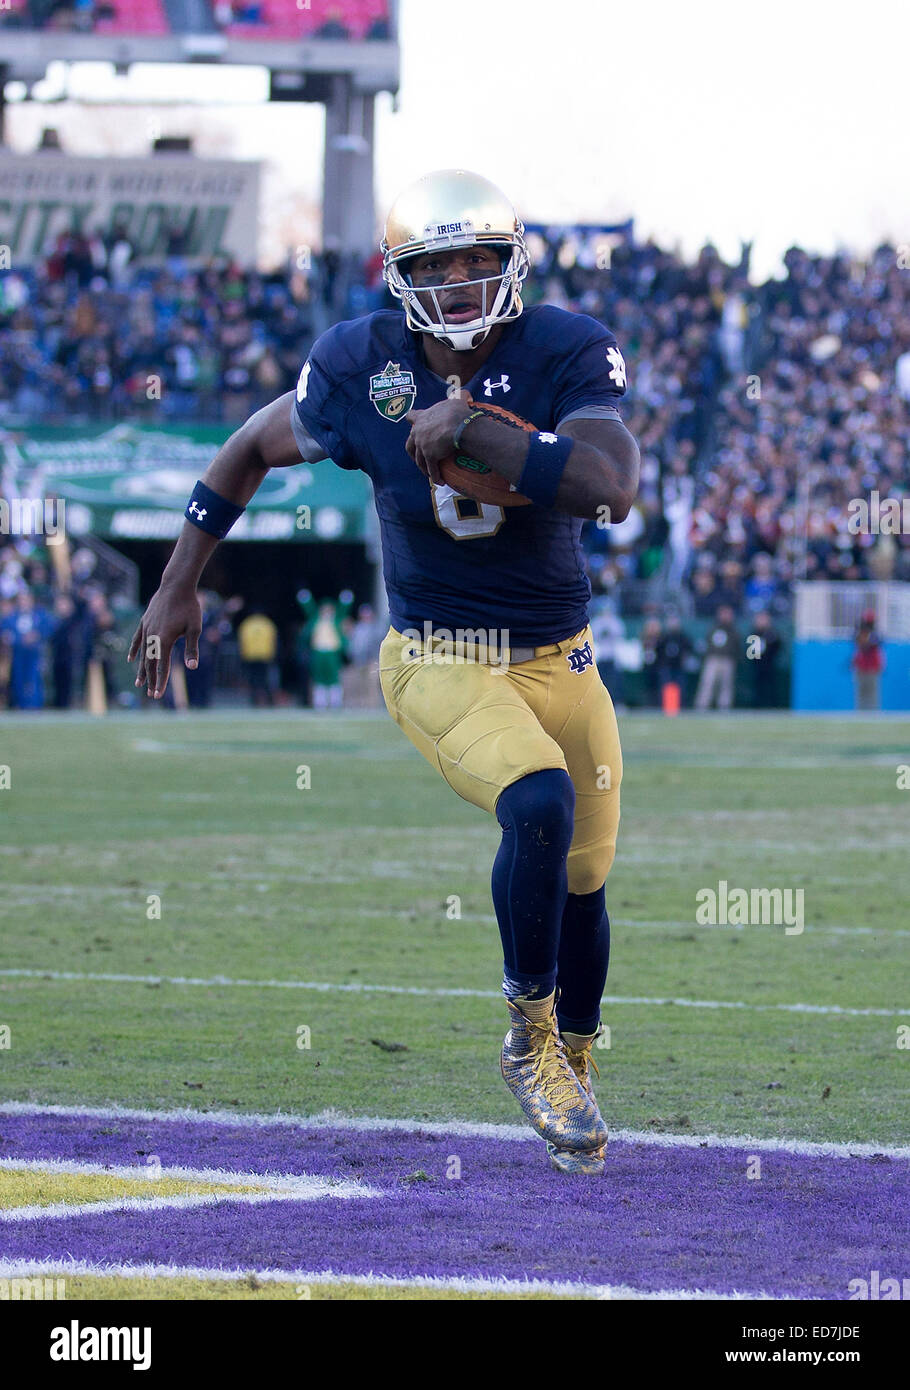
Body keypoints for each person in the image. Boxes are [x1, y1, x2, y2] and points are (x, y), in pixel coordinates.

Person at [128, 169, 640, 1177]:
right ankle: (528, 1041)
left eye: (477, 260)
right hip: (440, 654)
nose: (458, 281)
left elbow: (608, 485)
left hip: (560, 656)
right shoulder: (361, 363)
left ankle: (572, 1057)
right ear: (398, 278)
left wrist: (484, 431)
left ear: (511, 265)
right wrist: (176, 581)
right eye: (434, 264)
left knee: (584, 877)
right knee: (536, 804)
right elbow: (243, 451)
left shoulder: (566, 348)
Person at [695, 604, 739, 710]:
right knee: (707, 683)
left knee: (726, 685)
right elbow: (708, 643)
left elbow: (736, 646)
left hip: (727, 660)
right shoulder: (713, 628)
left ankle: (724, 706)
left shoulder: (733, 630)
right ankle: (702, 706)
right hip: (713, 659)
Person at [852, 610, 884, 710]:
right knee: (861, 693)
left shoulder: (875, 634)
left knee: (872, 694)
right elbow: (859, 643)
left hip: (873, 668)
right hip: (861, 667)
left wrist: (869, 634)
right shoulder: (859, 633)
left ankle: (873, 714)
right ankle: (860, 714)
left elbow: (876, 643)